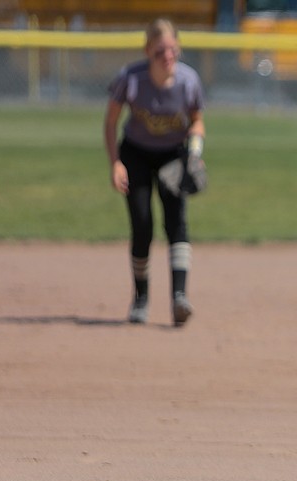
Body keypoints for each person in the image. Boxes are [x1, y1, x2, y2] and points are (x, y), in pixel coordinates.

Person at [103, 18, 205, 326]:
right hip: (136, 154)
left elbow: (197, 121)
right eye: (160, 51)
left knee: (177, 223)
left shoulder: (189, 81)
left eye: (172, 49)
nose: (167, 56)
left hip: (173, 156)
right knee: (143, 224)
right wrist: (115, 163)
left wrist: (195, 151)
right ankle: (141, 298)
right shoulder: (131, 79)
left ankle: (179, 298)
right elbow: (110, 123)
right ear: (148, 51)